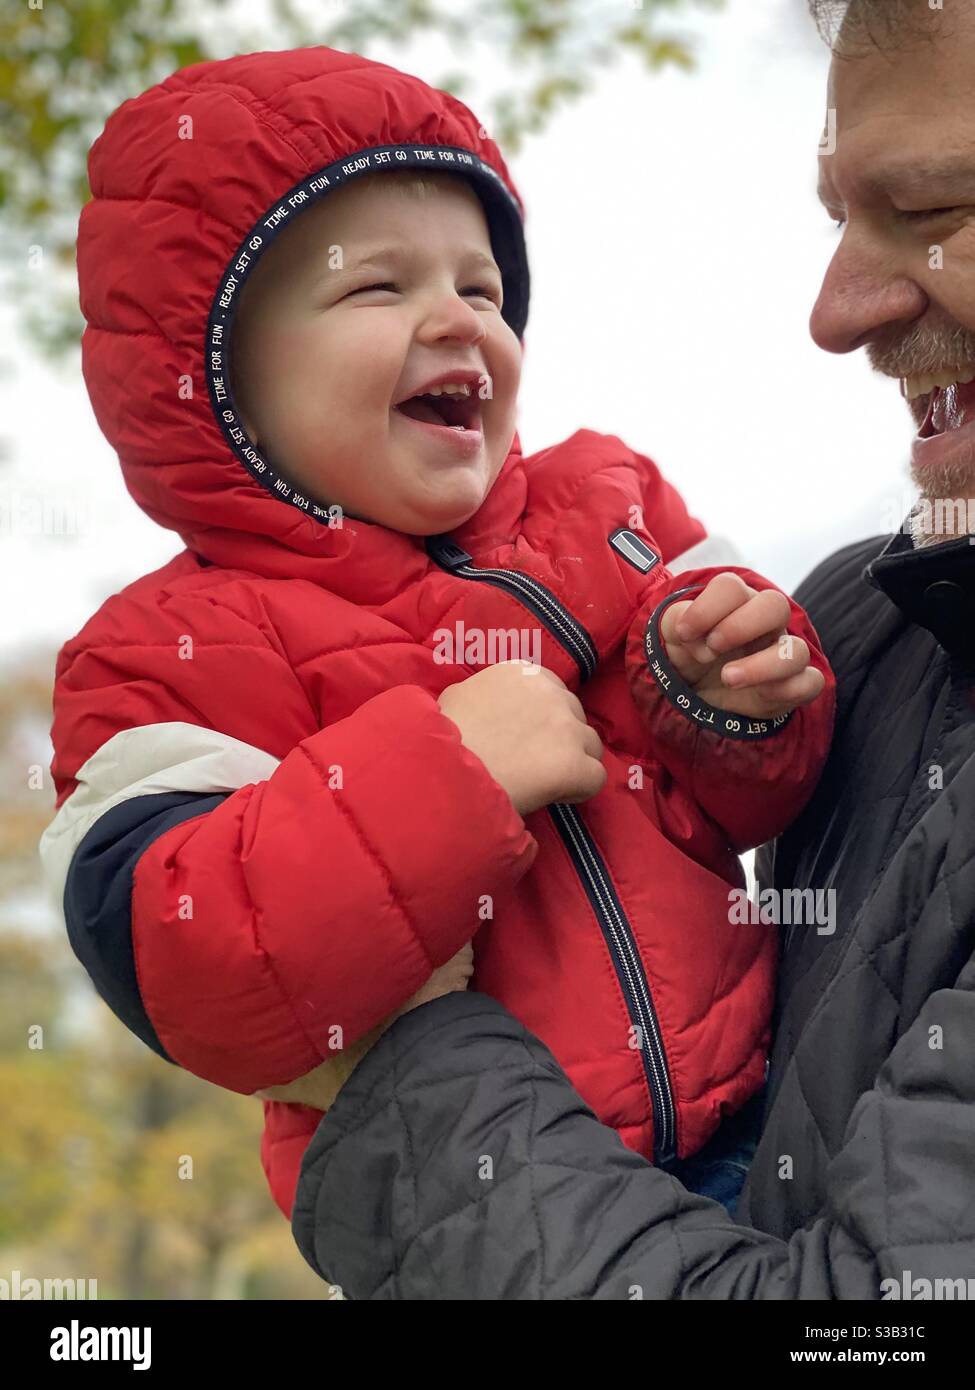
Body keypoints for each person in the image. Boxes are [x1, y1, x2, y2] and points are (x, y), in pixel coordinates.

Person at [37, 43, 833, 1237]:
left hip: (764, 1111)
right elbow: (198, 969)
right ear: (213, 371)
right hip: (476, 1204)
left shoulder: (605, 511)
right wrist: (448, 774)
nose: (458, 320)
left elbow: (756, 799)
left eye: (484, 289)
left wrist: (729, 692)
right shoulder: (164, 653)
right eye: (379, 287)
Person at [289, 0, 975, 1299]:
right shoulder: (875, 616)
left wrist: (399, 1054)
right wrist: (707, 696)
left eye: (932, 205)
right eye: (839, 213)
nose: (832, 312)